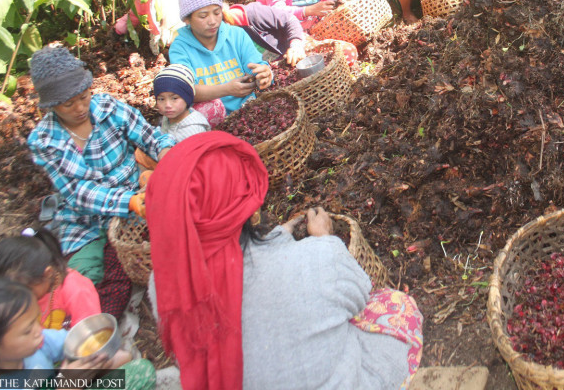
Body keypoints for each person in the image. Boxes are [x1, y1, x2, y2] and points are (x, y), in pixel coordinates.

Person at [146, 132, 422, 390]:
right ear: (247, 203)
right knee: (396, 304)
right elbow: (361, 294)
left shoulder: (165, 284)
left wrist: (280, 235)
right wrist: (324, 238)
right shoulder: (317, 259)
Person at [27, 46, 174, 316]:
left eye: (84, 97)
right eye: (68, 104)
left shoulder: (108, 108)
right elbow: (79, 193)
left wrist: (166, 153)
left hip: (138, 196)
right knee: (84, 278)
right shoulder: (44, 140)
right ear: (49, 105)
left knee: (158, 249)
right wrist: (127, 202)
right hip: (86, 220)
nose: (80, 108)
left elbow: (149, 136)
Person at [0, 277, 155, 387]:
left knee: (136, 367)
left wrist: (94, 362)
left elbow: (72, 344)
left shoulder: (40, 342)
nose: (39, 330)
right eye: (27, 330)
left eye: (36, 321)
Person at [168, 0, 272, 121]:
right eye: (203, 16)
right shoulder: (180, 48)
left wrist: (265, 75)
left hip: (249, 111)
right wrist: (226, 90)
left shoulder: (236, 35)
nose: (212, 21)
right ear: (187, 19)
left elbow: (257, 66)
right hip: (207, 121)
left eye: (217, 13)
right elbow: (185, 90)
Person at [0, 227, 99, 330]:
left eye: (29, 291)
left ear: (48, 273)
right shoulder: (18, 293)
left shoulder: (77, 290)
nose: (20, 298)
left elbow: (90, 334)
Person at [221, 2, 306, 66]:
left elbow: (289, 20)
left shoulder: (251, 14)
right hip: (263, 73)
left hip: (287, 58)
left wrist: (296, 45)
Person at [153, 64, 211, 142]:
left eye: (174, 98)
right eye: (161, 99)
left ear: (187, 97)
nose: (167, 105)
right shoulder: (168, 117)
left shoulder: (193, 132)